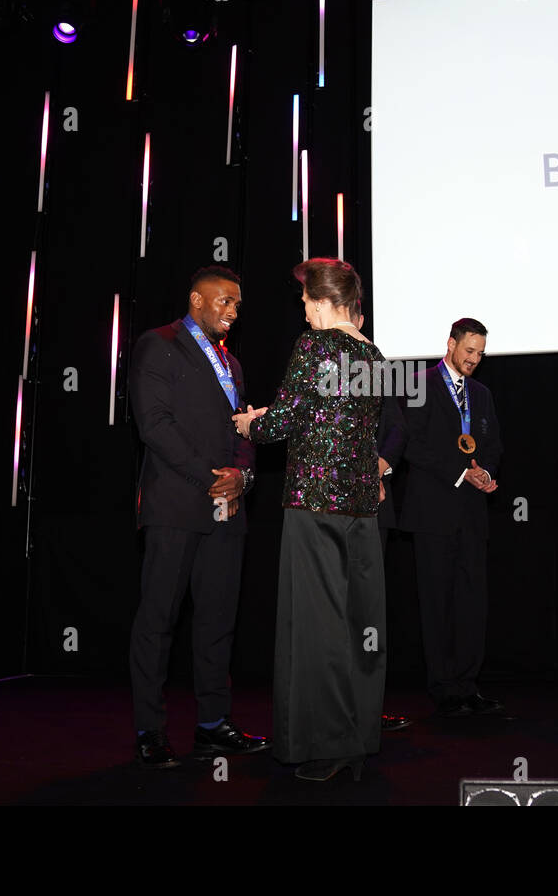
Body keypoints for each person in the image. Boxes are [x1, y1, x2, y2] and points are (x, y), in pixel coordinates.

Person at [233, 258, 387, 781]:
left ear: (323, 301)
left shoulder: (317, 347)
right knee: (359, 623)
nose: (302, 308)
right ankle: (359, 737)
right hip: (361, 508)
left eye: (305, 300)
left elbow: (289, 418)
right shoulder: (373, 352)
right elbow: (359, 428)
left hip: (315, 502)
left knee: (317, 627)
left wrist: (251, 423)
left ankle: (328, 745)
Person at [127, 266, 270, 768]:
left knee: (217, 621)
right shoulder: (157, 343)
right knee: (158, 619)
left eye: (237, 304)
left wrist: (242, 478)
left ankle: (213, 725)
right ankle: (150, 730)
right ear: (196, 299)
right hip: (175, 505)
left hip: (228, 508)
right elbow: (154, 425)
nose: (233, 311)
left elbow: (244, 431)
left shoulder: (232, 362)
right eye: (224, 301)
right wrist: (210, 477)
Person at [399, 318, 504, 717]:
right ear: (451, 344)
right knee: (437, 599)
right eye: (469, 351)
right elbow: (411, 444)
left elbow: (494, 443)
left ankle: (467, 684)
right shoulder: (419, 384)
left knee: (471, 599)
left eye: (480, 353)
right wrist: (461, 472)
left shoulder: (482, 393)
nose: (474, 359)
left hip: (473, 513)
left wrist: (486, 473)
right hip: (432, 512)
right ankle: (443, 686)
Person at [355, 303, 412, 733]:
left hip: (376, 505)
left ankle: (370, 705)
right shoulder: (317, 369)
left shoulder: (377, 366)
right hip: (330, 508)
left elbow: (397, 428)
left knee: (369, 613)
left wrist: (378, 465)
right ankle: (338, 706)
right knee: (338, 610)